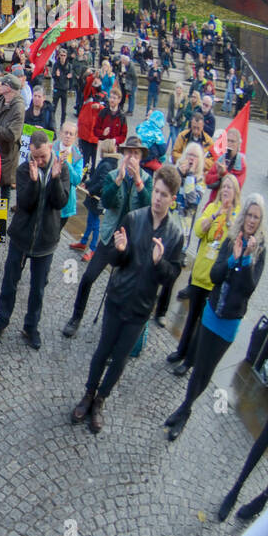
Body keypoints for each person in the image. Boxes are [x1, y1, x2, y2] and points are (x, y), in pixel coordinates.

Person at [72, 165, 184, 434]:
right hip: (118, 298)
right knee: (102, 350)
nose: (157, 198)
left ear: (173, 199)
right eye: (156, 191)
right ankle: (88, 393)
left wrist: (159, 264)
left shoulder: (176, 235)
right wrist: (120, 251)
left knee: (120, 359)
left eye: (164, 194)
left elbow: (170, 278)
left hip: (141, 308)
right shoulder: (134, 219)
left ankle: (100, 401)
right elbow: (117, 260)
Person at [0, 130, 69, 349]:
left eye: (42, 157)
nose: (39, 161)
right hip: (21, 237)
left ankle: (31, 327)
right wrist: (33, 182)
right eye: (35, 157)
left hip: (46, 241)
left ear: (51, 148)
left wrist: (56, 179)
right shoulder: (24, 170)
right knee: (9, 283)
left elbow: (60, 202)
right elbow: (25, 204)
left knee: (38, 289)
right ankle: (1, 321)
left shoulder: (62, 169)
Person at [62, 135, 153, 338]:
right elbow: (106, 201)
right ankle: (76, 317)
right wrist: (119, 180)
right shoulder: (113, 174)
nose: (131, 157)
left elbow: (148, 208)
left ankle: (113, 327)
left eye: (135, 154)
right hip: (109, 237)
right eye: (128, 152)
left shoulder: (147, 180)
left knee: (122, 286)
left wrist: (137, 182)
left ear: (140, 158)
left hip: (132, 242)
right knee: (88, 277)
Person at [166, 174, 240, 376]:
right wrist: (215, 216)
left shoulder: (237, 216)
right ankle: (180, 351)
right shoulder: (212, 208)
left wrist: (228, 221)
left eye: (229, 188)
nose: (225, 191)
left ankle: (189, 361)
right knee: (191, 317)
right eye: (223, 187)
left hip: (215, 280)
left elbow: (234, 241)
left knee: (201, 323)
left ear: (235, 193)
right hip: (200, 272)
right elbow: (199, 230)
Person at [0, 73, 24, 204]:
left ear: (8, 87)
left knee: (5, 188)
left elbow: (12, 135)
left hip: (7, 154)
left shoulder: (18, 107)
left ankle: (1, 221)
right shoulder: (1, 100)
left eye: (2, 83)